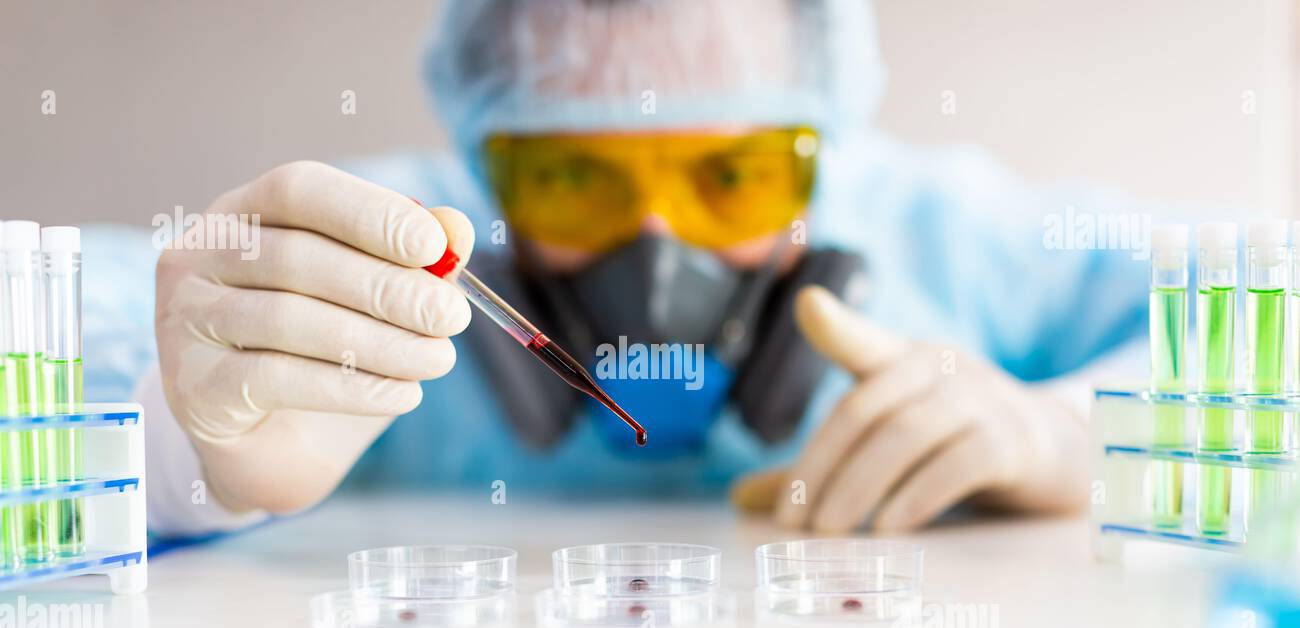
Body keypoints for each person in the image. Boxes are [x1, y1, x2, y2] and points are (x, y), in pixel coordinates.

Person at [87, 0, 1147, 538]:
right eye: (573, 179)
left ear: (823, 155)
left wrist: (1081, 437)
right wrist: (188, 449)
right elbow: (43, 325)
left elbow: (1264, 298)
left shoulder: (939, 237)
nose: (654, 249)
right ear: (489, 163)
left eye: (731, 174)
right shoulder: (383, 253)